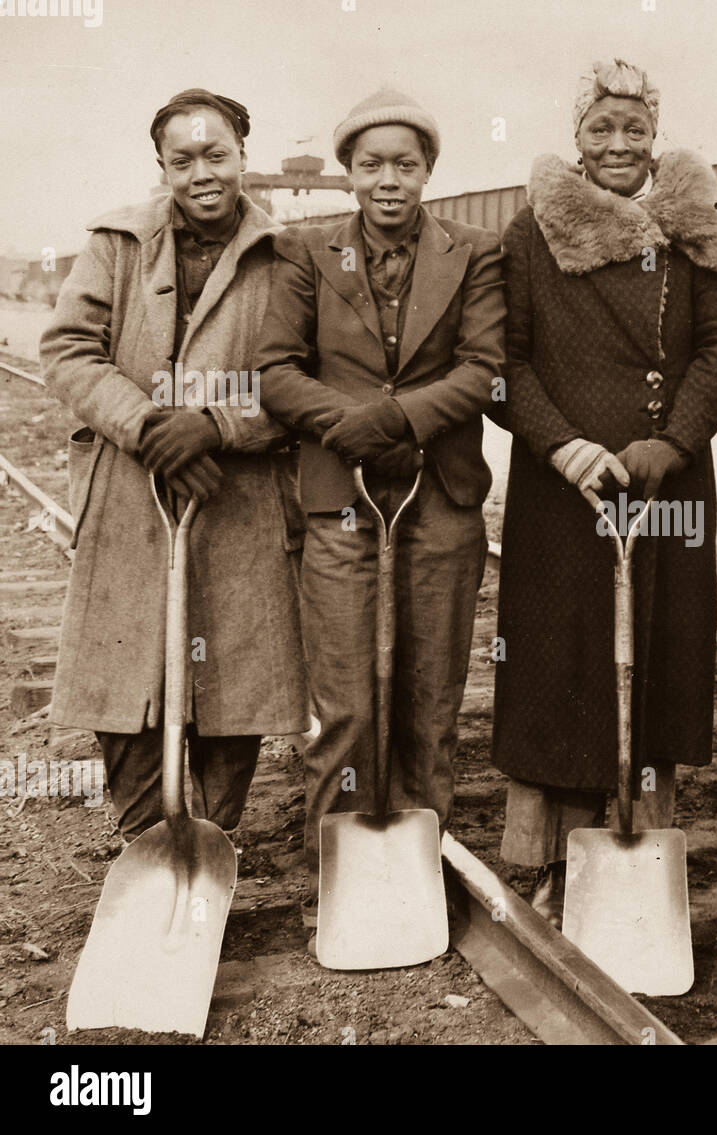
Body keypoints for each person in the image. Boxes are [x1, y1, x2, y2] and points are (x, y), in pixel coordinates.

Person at [490, 59, 717, 927]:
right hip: (562, 488)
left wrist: (670, 441)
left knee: (659, 656)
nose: (617, 145)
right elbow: (505, 361)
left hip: (664, 482)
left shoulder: (700, 227)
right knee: (559, 660)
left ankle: (642, 835)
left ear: (654, 135)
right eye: (600, 128)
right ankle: (547, 856)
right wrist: (565, 447)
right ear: (577, 136)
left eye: (633, 128)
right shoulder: (532, 233)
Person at [253, 89, 505, 944]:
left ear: (430, 169)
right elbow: (278, 371)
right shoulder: (303, 250)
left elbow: (483, 368)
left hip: (441, 494)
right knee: (349, 699)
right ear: (349, 171)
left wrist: (402, 420)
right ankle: (343, 869)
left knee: (432, 697)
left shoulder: (474, 250)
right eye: (371, 164)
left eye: (406, 164)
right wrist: (352, 427)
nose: (388, 180)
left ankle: (424, 867)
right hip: (341, 493)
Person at [39, 89, 309, 843]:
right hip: (131, 492)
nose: (202, 173)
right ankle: (143, 847)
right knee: (123, 675)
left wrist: (217, 425)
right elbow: (67, 349)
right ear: (161, 165)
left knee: (235, 678)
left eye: (216, 154)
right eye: (183, 159)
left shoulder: (286, 254)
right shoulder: (116, 243)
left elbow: (304, 378)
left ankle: (211, 842)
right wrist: (153, 426)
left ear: (243, 156)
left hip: (239, 496)